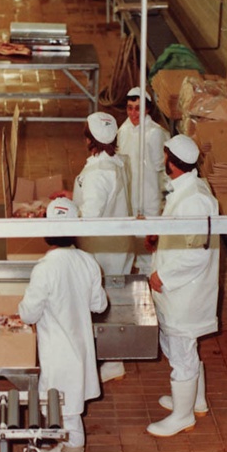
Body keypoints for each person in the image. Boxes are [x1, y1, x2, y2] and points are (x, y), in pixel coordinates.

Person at [18, 197, 108, 452]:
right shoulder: (88, 261)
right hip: (81, 351)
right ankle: (64, 448)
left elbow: (28, 314)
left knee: (69, 415)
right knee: (66, 408)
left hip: (59, 356)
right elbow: (99, 305)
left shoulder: (44, 268)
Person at [145, 134, 220, 438]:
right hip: (180, 289)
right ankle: (194, 400)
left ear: (172, 163)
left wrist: (163, 276)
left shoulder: (195, 200)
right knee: (183, 347)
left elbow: (196, 254)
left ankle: (183, 415)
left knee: (181, 350)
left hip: (185, 290)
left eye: (165, 156)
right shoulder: (189, 188)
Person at [55, 111, 133, 383]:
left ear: (90, 139)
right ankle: (111, 357)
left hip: (103, 249)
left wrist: (61, 215)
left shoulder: (99, 173)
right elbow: (101, 199)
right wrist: (72, 197)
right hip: (116, 243)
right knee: (109, 297)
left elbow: (89, 217)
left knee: (104, 301)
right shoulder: (114, 162)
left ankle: (113, 362)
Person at [116, 86, 169, 275]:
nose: (133, 113)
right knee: (133, 241)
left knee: (149, 244)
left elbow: (162, 170)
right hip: (130, 195)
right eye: (130, 108)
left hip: (149, 197)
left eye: (138, 108)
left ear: (147, 109)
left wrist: (164, 200)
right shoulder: (124, 129)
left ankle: (149, 278)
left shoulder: (154, 133)